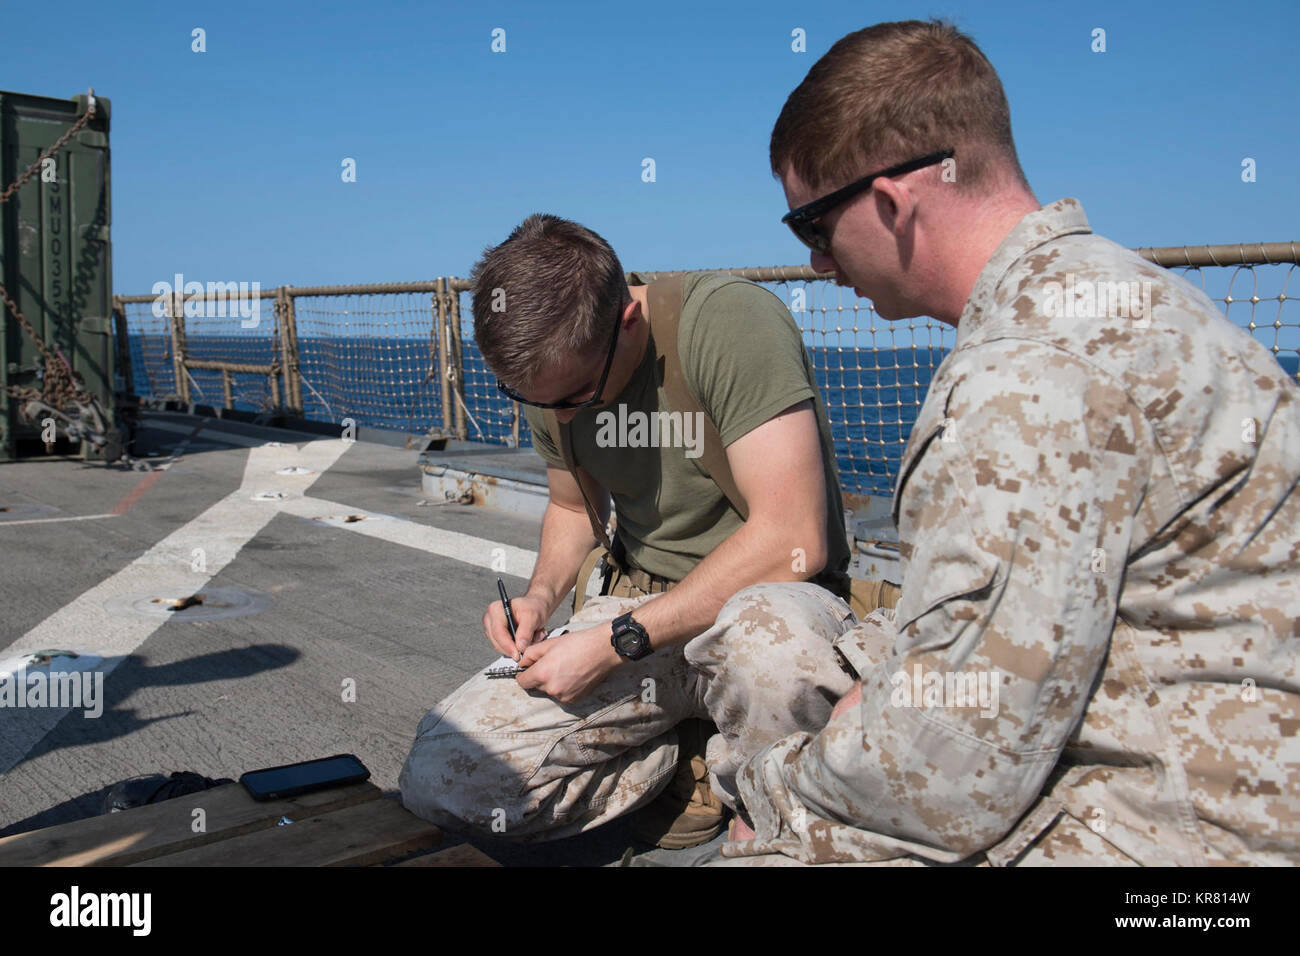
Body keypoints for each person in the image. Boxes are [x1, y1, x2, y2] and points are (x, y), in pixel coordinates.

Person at [714, 18, 1300, 866]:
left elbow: (946, 774)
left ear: (889, 203)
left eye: (812, 227)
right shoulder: (1124, 296)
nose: (818, 268)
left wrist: (772, 789)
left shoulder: (1026, 376)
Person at [398, 213, 890, 849]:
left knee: (771, 654)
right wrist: (540, 598)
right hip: (635, 611)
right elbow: (573, 510)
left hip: (768, 604)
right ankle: (690, 764)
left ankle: (766, 810)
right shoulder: (557, 383)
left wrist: (613, 643)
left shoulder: (727, 323)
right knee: (444, 780)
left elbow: (792, 537)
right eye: (538, 402)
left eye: (577, 394)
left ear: (626, 319)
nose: (563, 414)